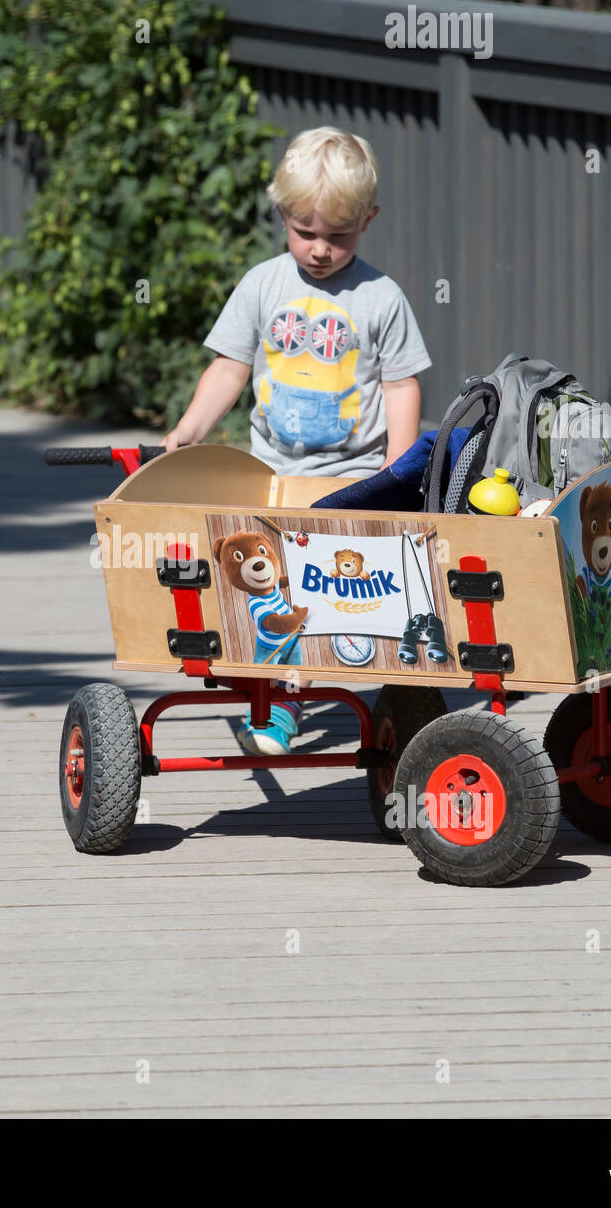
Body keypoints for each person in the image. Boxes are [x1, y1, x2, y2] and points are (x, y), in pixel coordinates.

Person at [163, 126, 432, 753]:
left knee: (326, 591)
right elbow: (229, 366)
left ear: (369, 220)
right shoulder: (263, 285)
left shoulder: (380, 298)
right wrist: (188, 430)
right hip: (272, 473)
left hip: (351, 477)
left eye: (338, 236)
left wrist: (396, 471)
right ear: (281, 214)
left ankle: (336, 683)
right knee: (270, 585)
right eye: (304, 232)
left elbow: (401, 385)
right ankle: (278, 700)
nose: (319, 250)